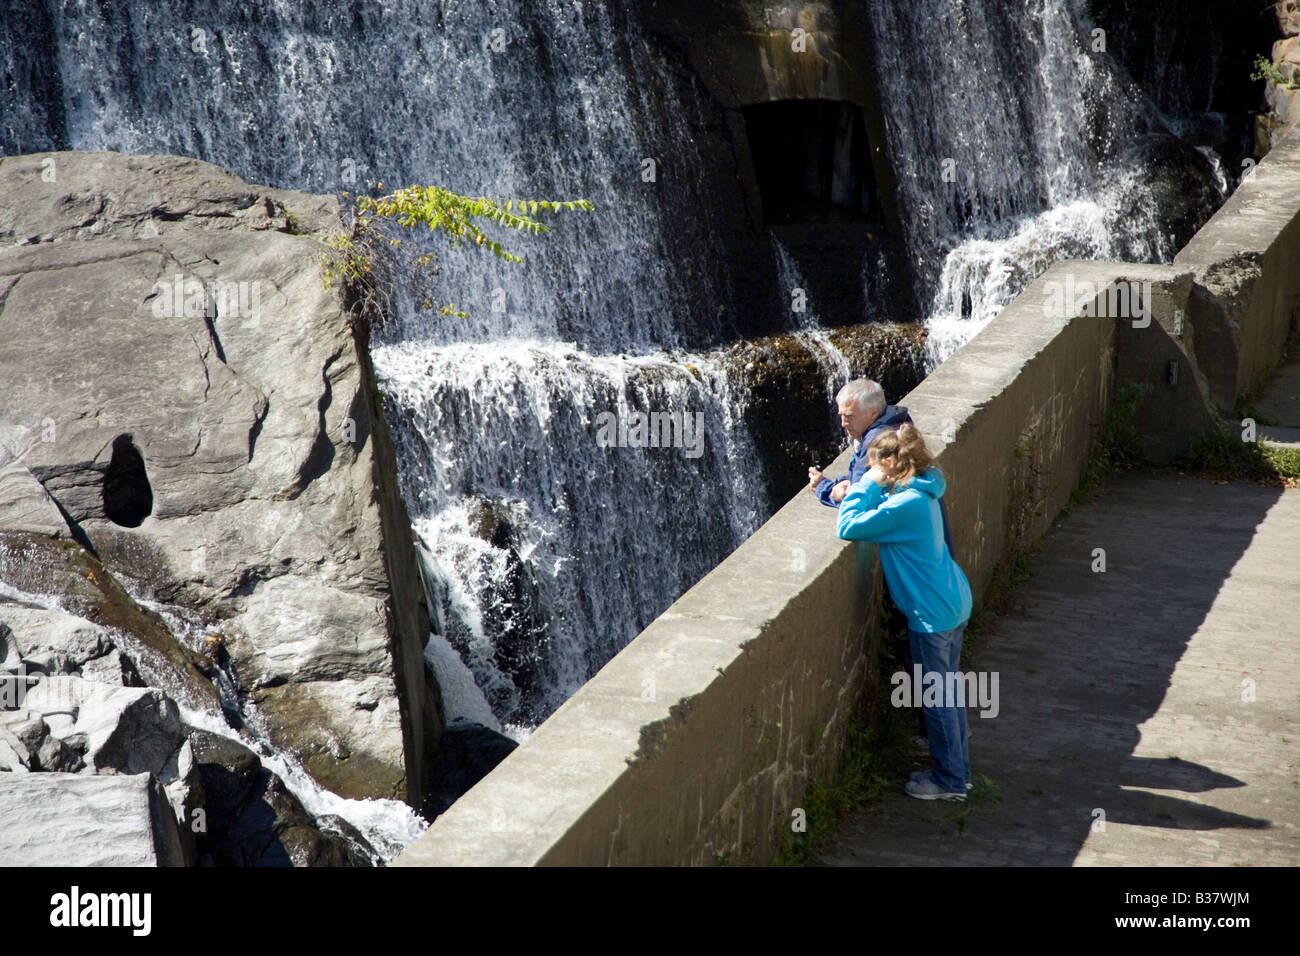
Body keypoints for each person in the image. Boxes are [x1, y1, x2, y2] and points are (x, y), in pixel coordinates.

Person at [836, 423, 974, 801]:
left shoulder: (906, 504)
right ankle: (960, 774)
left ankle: (949, 783)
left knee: (937, 699)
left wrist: (865, 485)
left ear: (892, 463)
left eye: (874, 466)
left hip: (932, 614)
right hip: (951, 600)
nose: (870, 472)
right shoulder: (923, 488)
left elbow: (847, 526)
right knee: (948, 693)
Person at [808, 379, 956, 558]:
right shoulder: (897, 424)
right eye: (841, 415)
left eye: (849, 416)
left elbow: (861, 503)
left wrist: (827, 490)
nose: (843, 423)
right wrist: (842, 483)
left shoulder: (876, 440)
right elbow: (859, 479)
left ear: (873, 413)